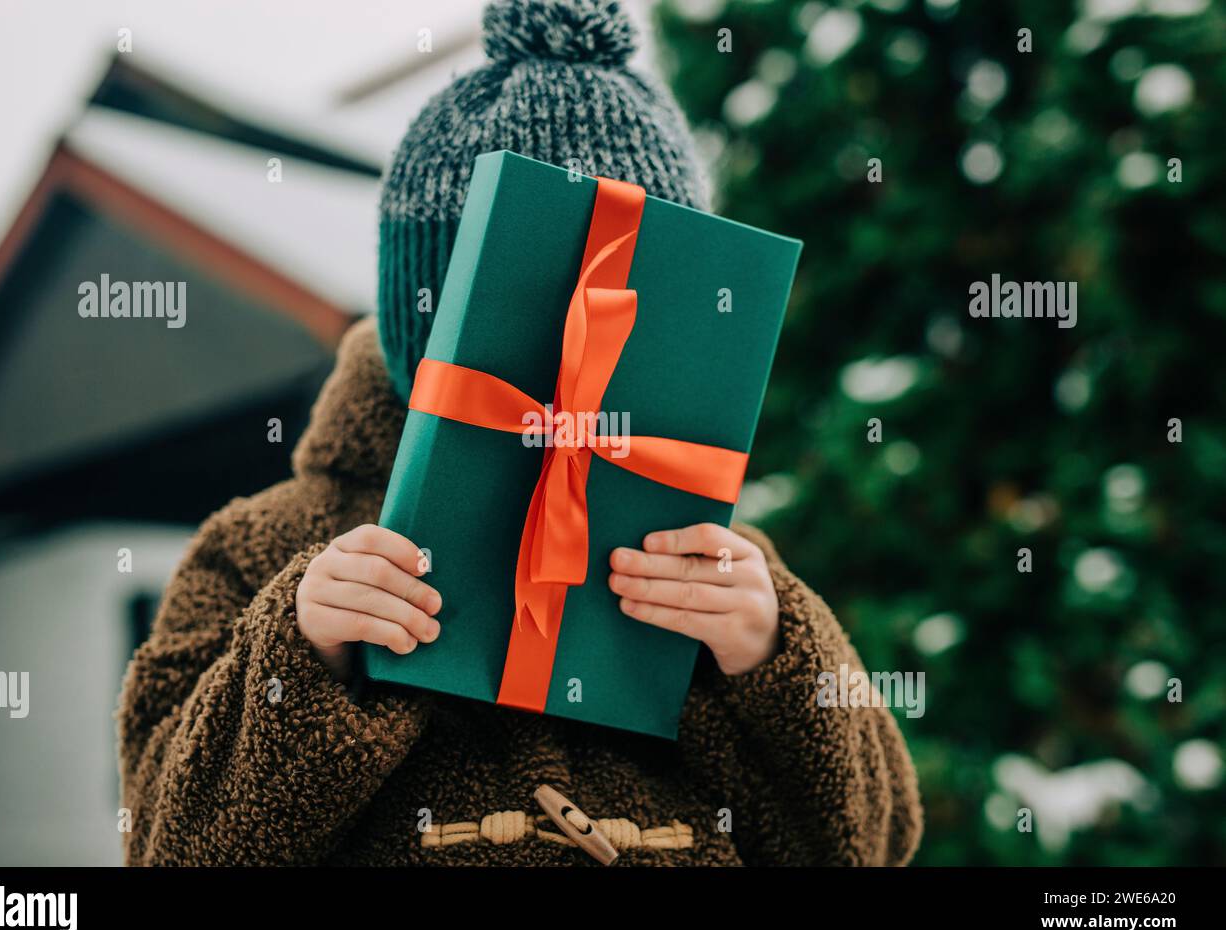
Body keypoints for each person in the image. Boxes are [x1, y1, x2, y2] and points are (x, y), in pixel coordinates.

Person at [117, 0, 922, 866]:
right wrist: (303, 656)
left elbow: (870, 842)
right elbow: (173, 845)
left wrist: (774, 658)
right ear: (433, 302)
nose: (584, 363)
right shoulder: (258, 549)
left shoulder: (715, 571)